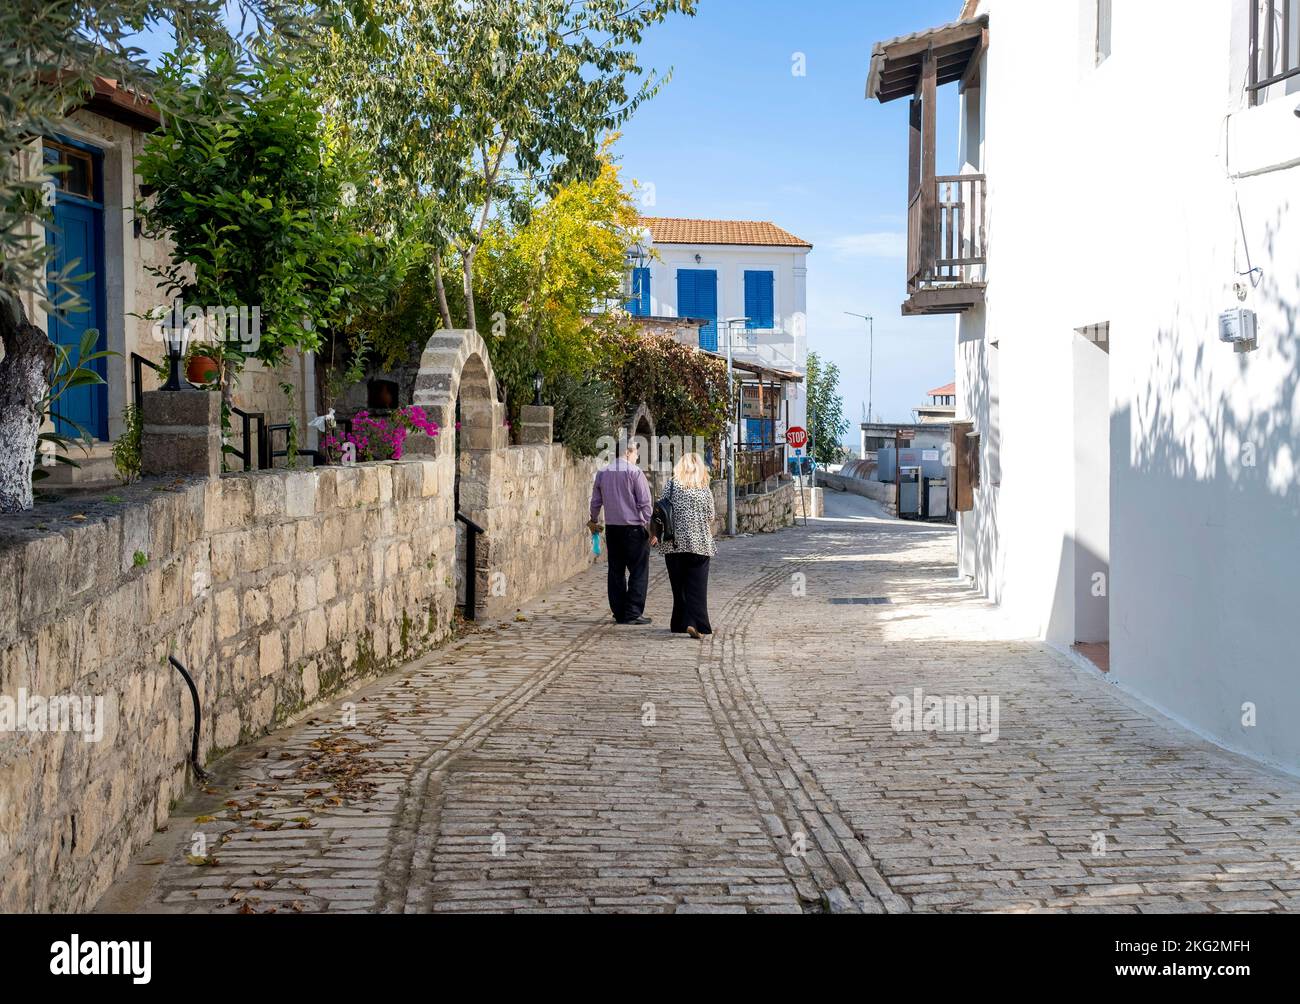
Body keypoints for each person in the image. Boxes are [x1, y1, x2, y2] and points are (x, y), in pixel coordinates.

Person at [589, 439, 653, 625]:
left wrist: (593, 520)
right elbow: (645, 504)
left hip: (613, 529)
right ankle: (633, 612)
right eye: (635, 453)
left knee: (616, 570)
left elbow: (595, 502)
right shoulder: (634, 472)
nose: (637, 456)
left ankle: (618, 611)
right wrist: (646, 525)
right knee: (638, 571)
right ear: (627, 452)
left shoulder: (603, 473)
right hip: (633, 528)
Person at [651, 452, 715, 639]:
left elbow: (660, 510)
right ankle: (695, 623)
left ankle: (679, 622)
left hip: (674, 544)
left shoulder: (671, 485)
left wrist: (655, 532)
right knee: (697, 586)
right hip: (700, 544)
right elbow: (711, 516)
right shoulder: (704, 488)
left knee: (678, 586)